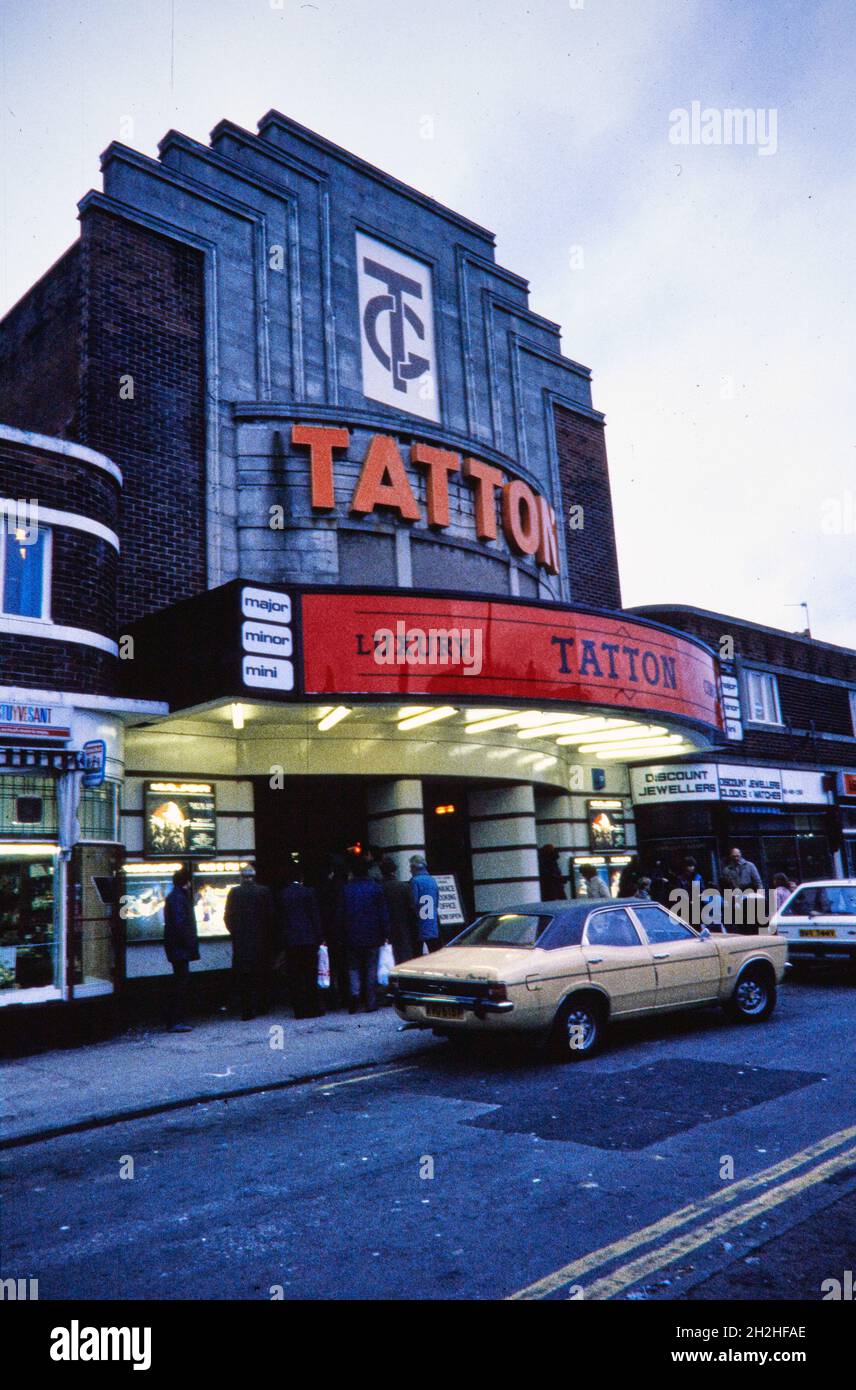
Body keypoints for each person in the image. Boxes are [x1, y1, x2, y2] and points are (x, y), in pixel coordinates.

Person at [224, 864, 274, 1020]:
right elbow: (271, 916)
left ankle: (247, 1010)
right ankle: (262, 1006)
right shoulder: (264, 892)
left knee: (244, 977)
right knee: (261, 975)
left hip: (242, 942)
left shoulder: (234, 893)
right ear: (254, 876)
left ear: (241, 877)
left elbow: (228, 917)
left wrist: (236, 933)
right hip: (261, 941)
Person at [340, 857, 391, 1012]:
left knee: (353, 968)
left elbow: (340, 914)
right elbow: (383, 914)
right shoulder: (376, 888)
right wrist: (386, 933)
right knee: (370, 968)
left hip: (351, 934)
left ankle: (354, 996)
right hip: (372, 934)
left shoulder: (346, 889)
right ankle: (371, 1001)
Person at [276, 871, 323, 1018]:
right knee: (310, 975)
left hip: (291, 941)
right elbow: (314, 916)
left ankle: (299, 1010)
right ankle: (313, 1008)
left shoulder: (282, 894)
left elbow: (280, 919)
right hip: (308, 940)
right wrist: (319, 937)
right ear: (301, 878)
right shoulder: (308, 892)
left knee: (295, 977)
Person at [162, 866, 199, 1032]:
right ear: (187, 882)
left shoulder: (173, 896)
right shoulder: (179, 898)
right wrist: (191, 944)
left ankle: (174, 1020)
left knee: (179, 982)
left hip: (175, 947)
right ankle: (175, 1021)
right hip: (180, 948)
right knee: (181, 984)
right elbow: (181, 924)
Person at [380, 858, 420, 963]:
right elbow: (412, 910)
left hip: (383, 932)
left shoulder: (379, 887)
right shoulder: (404, 887)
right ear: (394, 871)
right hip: (403, 929)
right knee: (403, 959)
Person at [409, 854, 442, 953]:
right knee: (434, 950)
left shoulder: (415, 881)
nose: (410, 870)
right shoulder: (432, 880)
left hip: (419, 922)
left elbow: (414, 902)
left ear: (414, 868)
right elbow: (436, 902)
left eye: (411, 867)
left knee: (417, 953)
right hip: (432, 921)